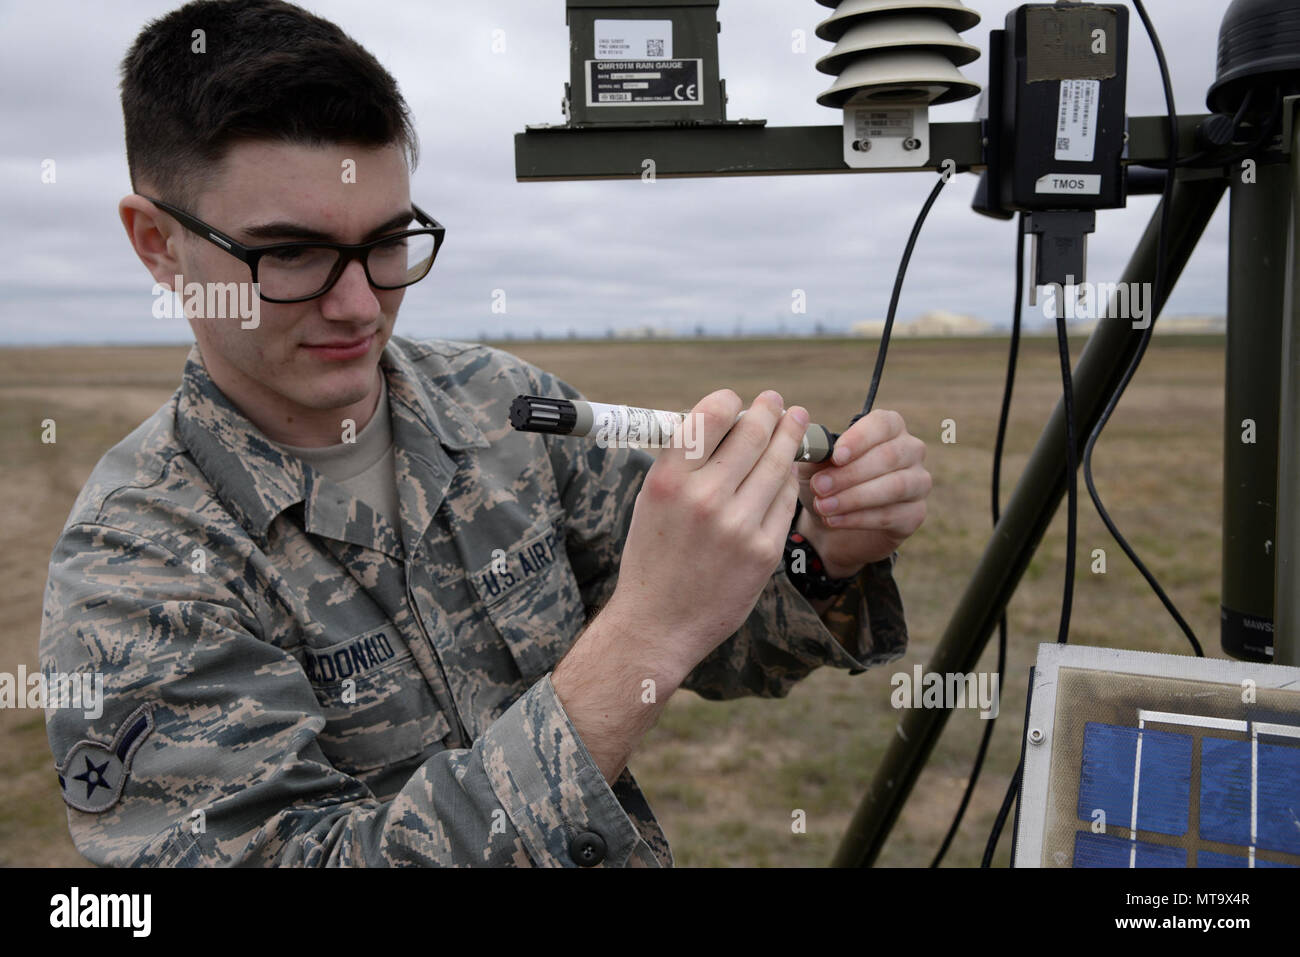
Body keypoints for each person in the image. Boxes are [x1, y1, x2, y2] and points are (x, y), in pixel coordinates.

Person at [39, 0, 931, 867]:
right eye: (291, 254)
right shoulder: (136, 567)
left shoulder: (498, 403)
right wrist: (645, 633)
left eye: (389, 241)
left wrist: (819, 553)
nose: (359, 305)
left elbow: (723, 640)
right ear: (157, 243)